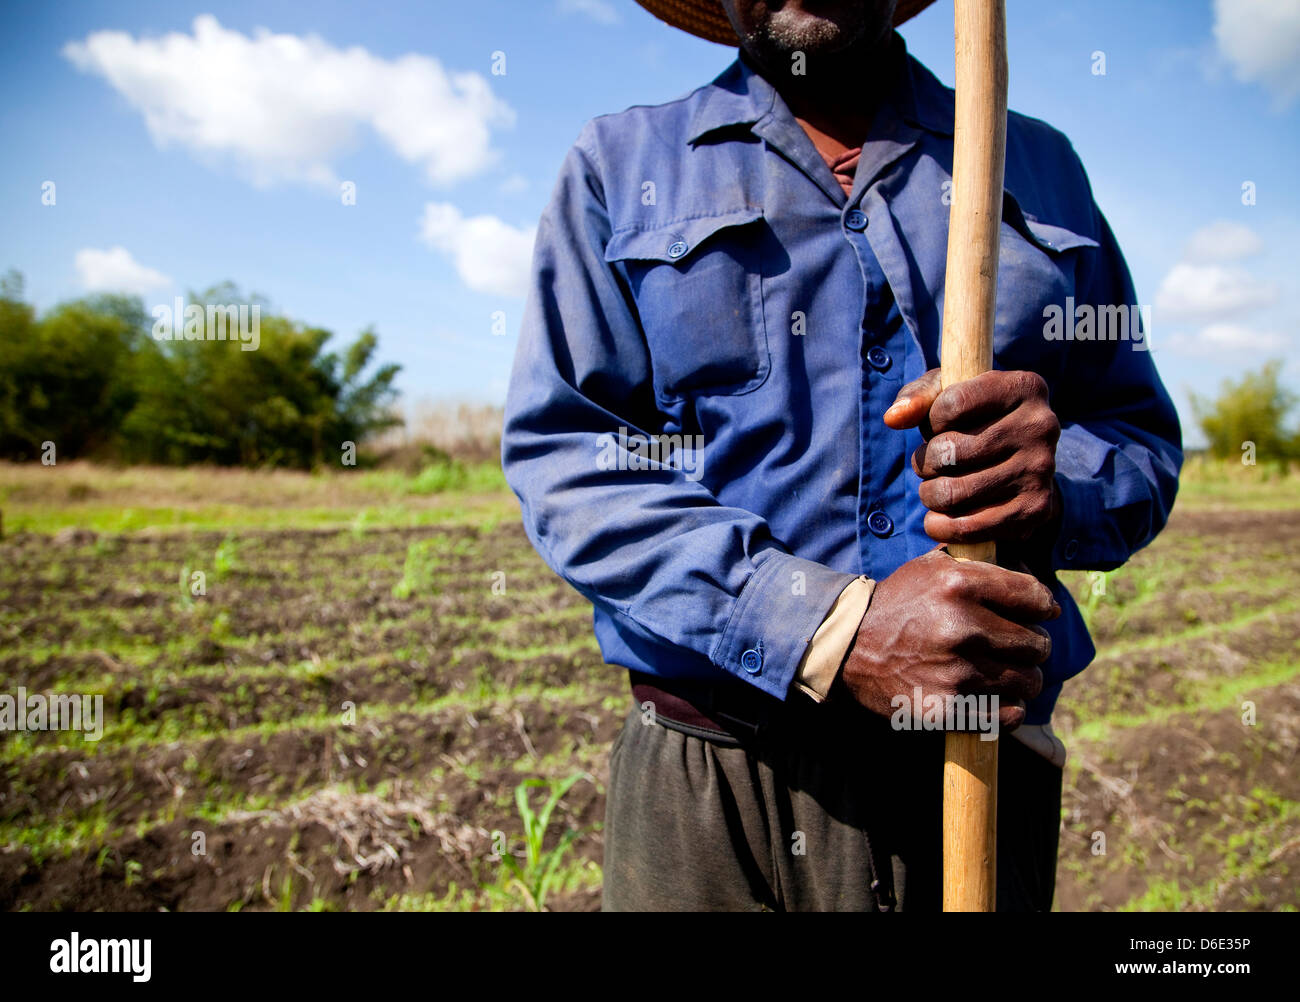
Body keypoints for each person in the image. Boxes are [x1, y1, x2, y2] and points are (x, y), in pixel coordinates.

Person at [501, 0, 1181, 911]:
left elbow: (1139, 439)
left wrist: (1055, 484)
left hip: (972, 771)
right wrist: (829, 628)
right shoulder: (624, 165)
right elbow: (571, 457)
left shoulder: (1040, 167)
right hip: (708, 779)